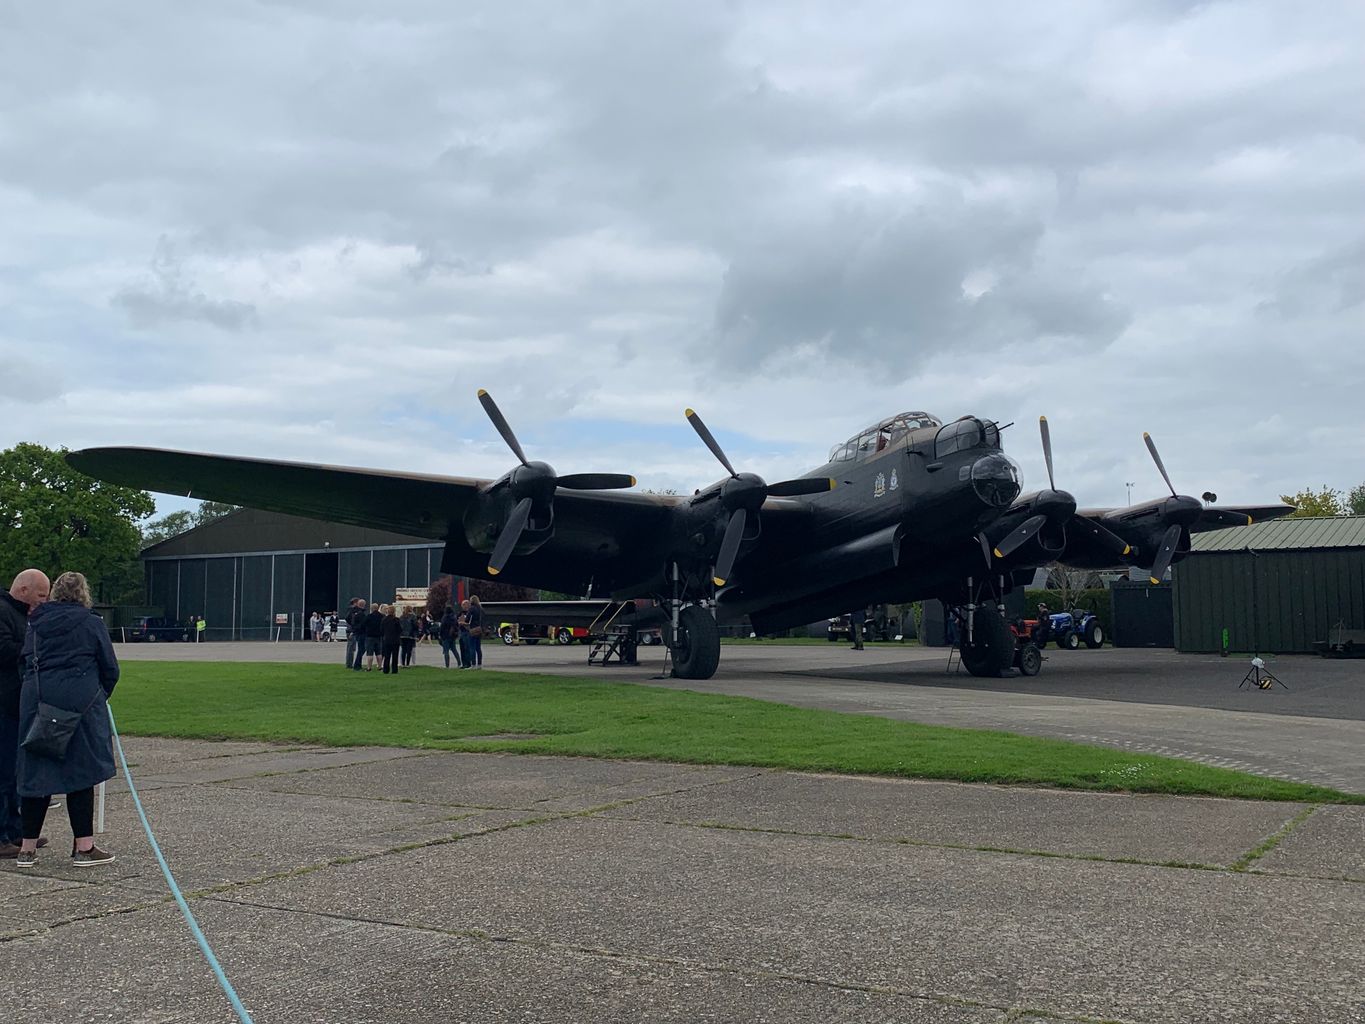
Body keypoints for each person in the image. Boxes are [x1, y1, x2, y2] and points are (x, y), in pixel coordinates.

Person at [14, 571, 118, 868]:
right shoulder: (92, 623)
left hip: (39, 700)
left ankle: (27, 847)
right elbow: (109, 667)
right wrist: (99, 695)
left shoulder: (36, 622)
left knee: (36, 771)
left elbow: (24, 660)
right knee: (80, 772)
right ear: (84, 594)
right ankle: (83, 846)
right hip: (79, 703)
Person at [1, 569, 51, 858]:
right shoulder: (4, 612)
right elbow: (3, 649)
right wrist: (31, 649)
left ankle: (17, 831)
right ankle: (2, 835)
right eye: (42, 594)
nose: (44, 600)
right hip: (5, 704)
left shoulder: (26, 615)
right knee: (3, 773)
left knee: (17, 773)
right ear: (23, 590)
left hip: (19, 705)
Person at [379, 605, 402, 674]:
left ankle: (386, 669)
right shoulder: (396, 620)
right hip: (395, 640)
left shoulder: (384, 620)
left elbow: (381, 630)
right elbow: (400, 630)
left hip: (387, 640)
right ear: (394, 611)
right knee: (395, 656)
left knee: (387, 656)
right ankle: (394, 670)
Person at [362, 601, 384, 671]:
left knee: (370, 653)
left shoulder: (369, 616)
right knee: (379, 653)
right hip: (379, 636)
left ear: (371, 609)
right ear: (377, 608)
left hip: (370, 636)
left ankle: (369, 667)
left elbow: (363, 624)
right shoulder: (382, 616)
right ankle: (380, 666)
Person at [346, 599, 367, 671]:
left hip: (355, 631)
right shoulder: (360, 613)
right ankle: (356, 665)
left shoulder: (353, 611)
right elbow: (362, 624)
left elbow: (348, 619)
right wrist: (354, 627)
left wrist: (353, 626)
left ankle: (356, 664)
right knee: (361, 649)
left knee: (358, 649)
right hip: (360, 632)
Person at [466, 595, 485, 668]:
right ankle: (479, 664)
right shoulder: (481, 609)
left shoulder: (472, 609)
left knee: (472, 647)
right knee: (478, 648)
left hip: (473, 628)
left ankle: (473, 664)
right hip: (479, 629)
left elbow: (467, 619)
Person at [439, 603, 459, 669]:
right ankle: (459, 663)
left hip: (445, 636)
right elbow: (456, 626)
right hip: (452, 636)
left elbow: (442, 627)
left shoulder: (445, 618)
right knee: (454, 650)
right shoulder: (454, 617)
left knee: (446, 651)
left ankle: (447, 665)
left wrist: (440, 635)